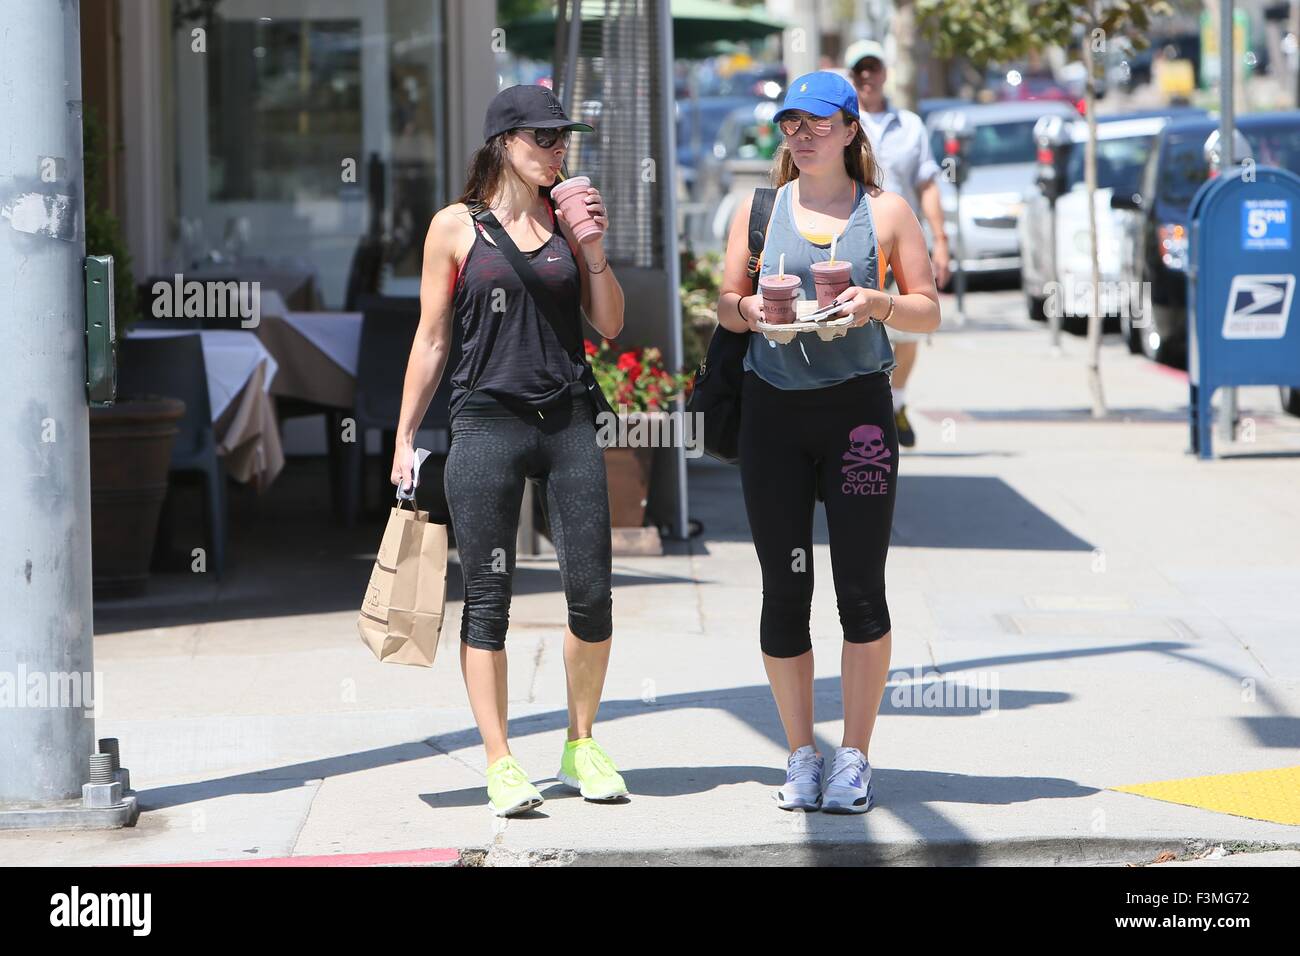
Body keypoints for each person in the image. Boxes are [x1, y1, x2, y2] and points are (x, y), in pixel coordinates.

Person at [391, 85, 628, 817]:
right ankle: (500, 760)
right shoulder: (455, 228)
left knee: (591, 591)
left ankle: (580, 741)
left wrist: (590, 251)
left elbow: (611, 324)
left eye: (564, 139)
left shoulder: (568, 217)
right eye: (544, 138)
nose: (558, 150)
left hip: (566, 419)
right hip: (486, 421)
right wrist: (404, 437)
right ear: (505, 142)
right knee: (488, 600)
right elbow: (431, 338)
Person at [717, 71, 940, 812]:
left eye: (817, 122)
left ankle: (856, 755)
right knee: (784, 591)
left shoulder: (888, 212)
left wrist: (879, 303)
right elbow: (725, 302)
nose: (802, 135)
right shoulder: (757, 210)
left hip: (860, 419)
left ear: (851, 129)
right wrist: (749, 307)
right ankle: (800, 753)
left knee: (861, 591)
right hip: (772, 414)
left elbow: (928, 311)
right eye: (790, 124)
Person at [844, 39, 952, 448]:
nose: (867, 77)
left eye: (873, 68)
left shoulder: (910, 126)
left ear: (886, 73)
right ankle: (863, 412)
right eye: (859, 71)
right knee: (855, 329)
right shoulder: (843, 125)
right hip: (856, 245)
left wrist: (941, 241)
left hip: (901, 245)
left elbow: (927, 183)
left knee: (907, 333)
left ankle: (897, 402)